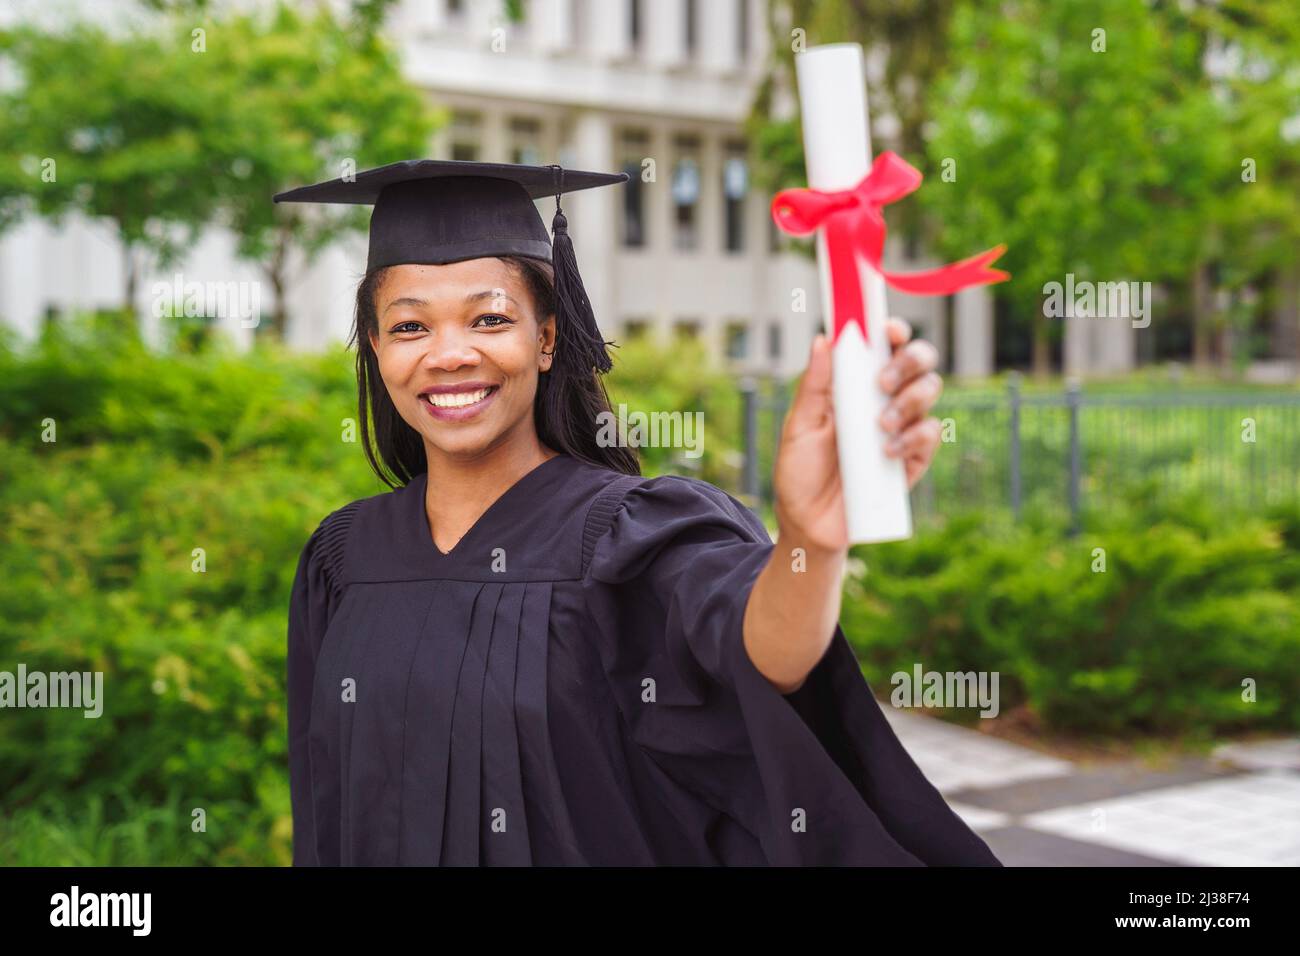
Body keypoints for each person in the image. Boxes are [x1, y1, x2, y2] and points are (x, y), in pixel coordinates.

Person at [278, 159, 1001, 866]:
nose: (449, 353)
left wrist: (809, 540)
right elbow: (322, 806)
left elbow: (766, 653)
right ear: (375, 348)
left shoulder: (634, 536)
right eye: (409, 328)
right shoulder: (342, 561)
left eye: (490, 318)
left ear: (547, 338)